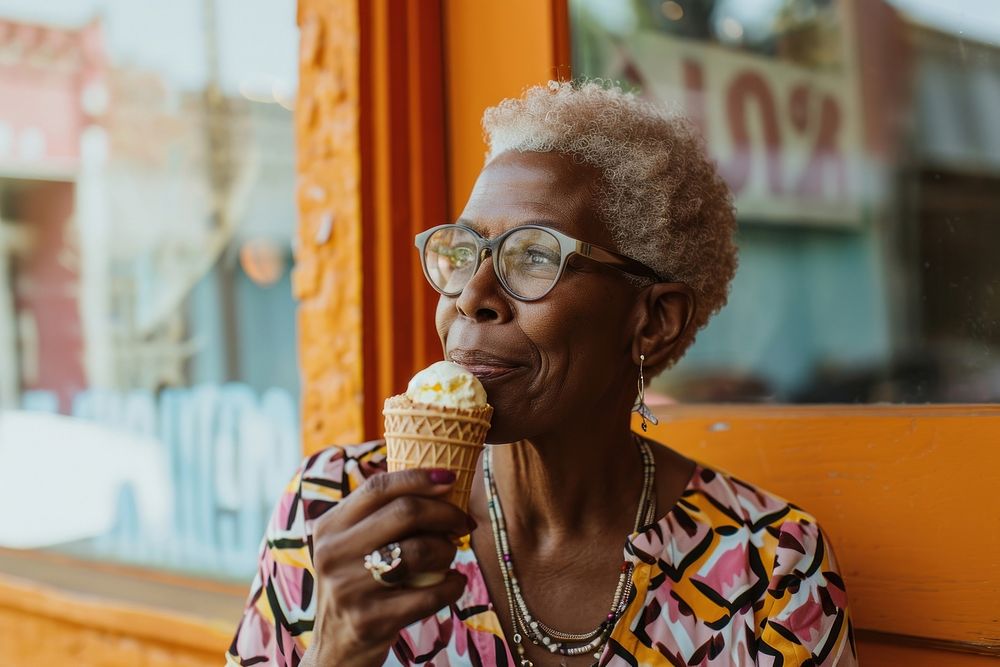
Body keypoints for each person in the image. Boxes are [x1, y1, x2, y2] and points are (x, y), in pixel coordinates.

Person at [227, 81, 857, 667]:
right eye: (463, 251)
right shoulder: (329, 509)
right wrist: (335, 647)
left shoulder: (769, 569)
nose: (472, 295)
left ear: (653, 320)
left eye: (533, 255)